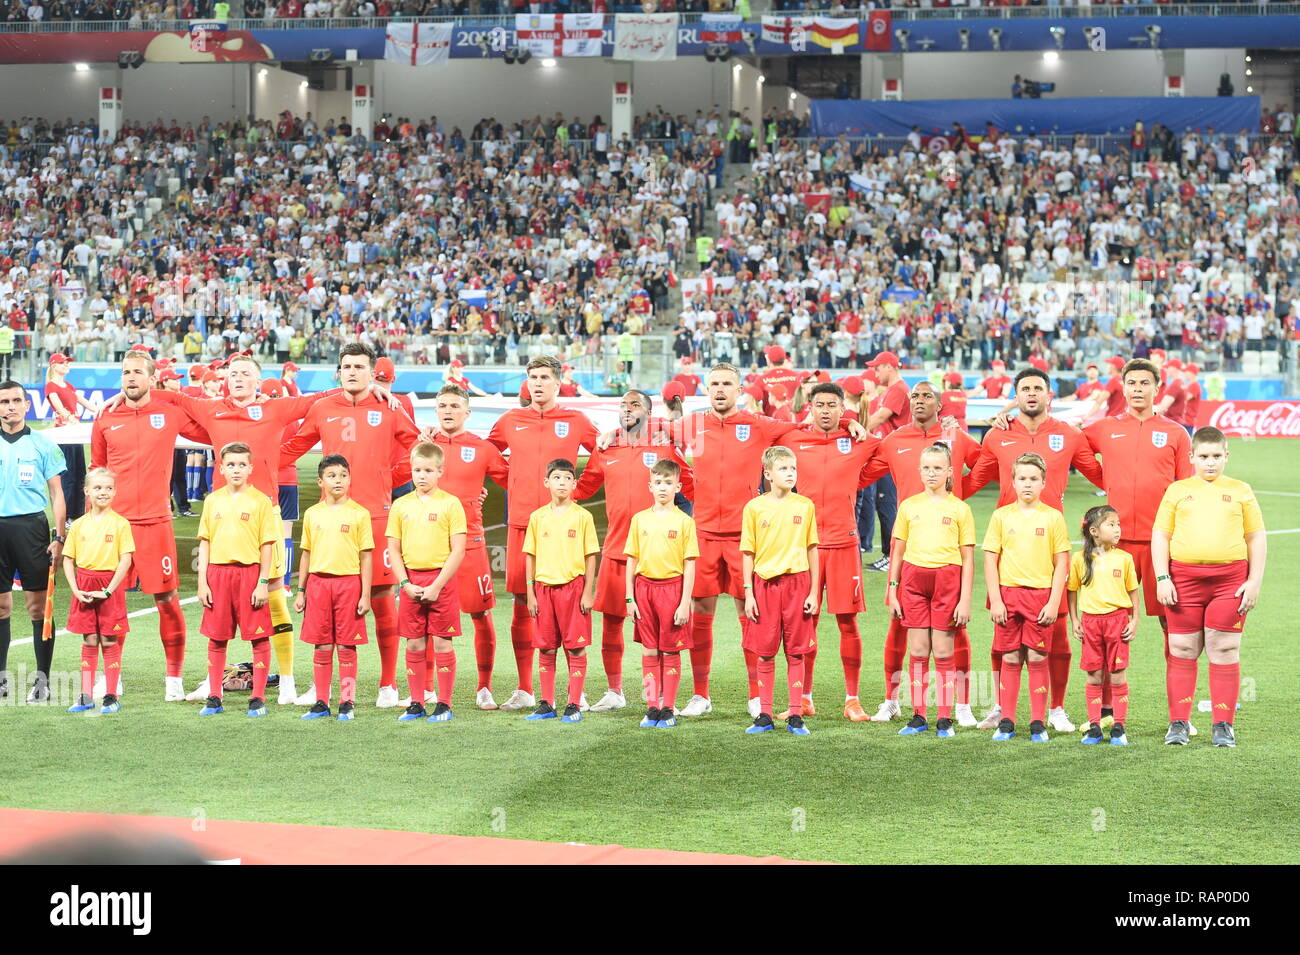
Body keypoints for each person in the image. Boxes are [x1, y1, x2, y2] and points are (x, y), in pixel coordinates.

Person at [656, 361, 861, 718]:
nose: (720, 389)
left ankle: (755, 695)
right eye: (715, 384)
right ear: (708, 389)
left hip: (744, 536)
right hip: (702, 531)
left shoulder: (759, 425)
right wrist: (616, 433)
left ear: (740, 390)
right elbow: (655, 431)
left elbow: (806, 424)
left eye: (727, 384)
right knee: (700, 614)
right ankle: (701, 695)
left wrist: (846, 422)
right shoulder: (694, 424)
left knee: (749, 614)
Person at [279, 343, 422, 708]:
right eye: (347, 366)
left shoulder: (389, 407)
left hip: (376, 516)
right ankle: (321, 688)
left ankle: (388, 686)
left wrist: (391, 477)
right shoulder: (322, 408)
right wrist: (249, 461)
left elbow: (420, 448)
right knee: (322, 600)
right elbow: (292, 448)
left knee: (380, 600)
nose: (353, 371)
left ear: (372, 372)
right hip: (329, 520)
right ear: (338, 372)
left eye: (360, 366)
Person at [966, 366, 1105, 732]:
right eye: (1024, 388)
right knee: (1004, 638)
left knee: (1056, 636)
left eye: (1037, 388)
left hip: (1050, 550)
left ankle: (1056, 708)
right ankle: (1002, 707)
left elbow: (1102, 476)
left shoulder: (1069, 435)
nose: (1031, 394)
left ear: (1049, 396)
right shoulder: (997, 435)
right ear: (1016, 395)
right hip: (1008, 551)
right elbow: (972, 482)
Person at [858, 379, 983, 726]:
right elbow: (863, 472)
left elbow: (987, 464)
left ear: (940, 404)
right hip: (908, 552)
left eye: (927, 395)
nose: (919, 400)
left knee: (955, 634)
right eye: (914, 395)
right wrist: (855, 430)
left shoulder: (955, 438)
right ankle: (892, 700)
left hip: (944, 555)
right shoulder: (894, 440)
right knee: (898, 629)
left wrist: (959, 493)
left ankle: (960, 705)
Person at [1083, 358, 1193, 731]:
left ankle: (1180, 716)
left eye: (1145, 383)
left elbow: (1185, 489)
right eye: (1131, 383)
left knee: (1173, 628)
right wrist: (1105, 479)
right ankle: (1108, 714)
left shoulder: (1176, 433)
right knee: (1110, 628)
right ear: (1124, 387)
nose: (1137, 389)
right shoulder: (1105, 428)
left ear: (1157, 387)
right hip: (1113, 547)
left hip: (1161, 545)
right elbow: (1074, 446)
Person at [487, 356, 599, 712]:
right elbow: (487, 454)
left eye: (544, 377)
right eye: (533, 377)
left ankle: (573, 692)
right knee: (524, 603)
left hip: (565, 527)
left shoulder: (576, 420)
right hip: (523, 522)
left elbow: (604, 453)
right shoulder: (510, 420)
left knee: (570, 603)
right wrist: (515, 484)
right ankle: (524, 689)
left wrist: (578, 492)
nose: (538, 383)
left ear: (557, 382)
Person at [90, 352, 202, 701]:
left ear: (152, 378)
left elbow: (211, 427)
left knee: (167, 601)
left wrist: (168, 395)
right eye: (125, 372)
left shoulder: (168, 411)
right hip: (115, 526)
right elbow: (97, 471)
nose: (130, 377)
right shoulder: (106, 416)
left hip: (156, 524)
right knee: (111, 604)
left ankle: (174, 680)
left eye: (138, 372)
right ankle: (111, 679)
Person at [574, 389, 693, 713]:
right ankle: (615, 691)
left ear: (649, 412)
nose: (627, 409)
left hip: (659, 559)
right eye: (623, 405)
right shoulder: (607, 447)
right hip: (616, 551)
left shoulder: (663, 445)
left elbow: (692, 484)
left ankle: (661, 700)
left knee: (663, 633)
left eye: (635, 404)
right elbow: (584, 488)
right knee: (612, 623)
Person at [1152, 427, 1266, 748]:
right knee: (1182, 650)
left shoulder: (1241, 490)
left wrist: (1254, 580)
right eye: (1203, 456)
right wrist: (1163, 577)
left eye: (1217, 456)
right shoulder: (1177, 490)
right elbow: (1161, 534)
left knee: (1225, 649)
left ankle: (1223, 725)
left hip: (1229, 581)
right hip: (1183, 580)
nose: (1210, 463)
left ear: (1226, 456)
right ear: (1191, 458)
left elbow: (1256, 536)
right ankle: (1179, 724)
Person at [786, 381, 881, 721]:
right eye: (819, 404)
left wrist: (850, 426)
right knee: (803, 623)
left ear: (843, 409)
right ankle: (803, 699)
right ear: (809, 407)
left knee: (847, 623)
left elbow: (881, 451)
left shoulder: (856, 440)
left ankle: (852, 700)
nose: (825, 410)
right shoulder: (792, 438)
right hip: (804, 545)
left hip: (844, 543)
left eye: (832, 405)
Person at [428, 384, 509, 710]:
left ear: (467, 412)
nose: (448, 411)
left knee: (480, 614)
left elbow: (512, 480)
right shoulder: (425, 445)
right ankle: (428, 689)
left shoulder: (482, 448)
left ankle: (484, 687)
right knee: (427, 617)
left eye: (454, 406)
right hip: (428, 545)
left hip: (471, 544)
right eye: (443, 405)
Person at [887, 444, 975, 739]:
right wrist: (893, 589)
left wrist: (964, 600)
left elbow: (968, 558)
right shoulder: (909, 506)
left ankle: (945, 718)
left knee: (943, 650)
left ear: (950, 472)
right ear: (919, 470)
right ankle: (919, 716)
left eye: (938, 468)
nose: (932, 473)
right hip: (913, 581)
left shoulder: (960, 509)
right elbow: (897, 552)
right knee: (919, 650)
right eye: (926, 467)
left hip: (947, 581)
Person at [982, 453, 1070, 743]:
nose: (1027, 484)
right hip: (1008, 596)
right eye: (1022, 478)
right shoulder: (1001, 516)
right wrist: (995, 599)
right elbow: (990, 560)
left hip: (1040, 597)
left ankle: (1037, 722)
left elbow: (1062, 564)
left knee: (1037, 656)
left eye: (1034, 479)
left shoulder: (1053, 517)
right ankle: (1006, 721)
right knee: (1009, 656)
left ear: (1044, 483)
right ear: (1013, 482)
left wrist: (1054, 602)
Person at [195, 441, 279, 719]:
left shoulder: (260, 501)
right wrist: (202, 581)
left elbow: (267, 544)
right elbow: (204, 543)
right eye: (230, 464)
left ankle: (257, 697)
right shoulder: (212, 500)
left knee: (259, 637)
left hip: (249, 574)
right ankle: (214, 696)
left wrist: (263, 582)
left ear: (250, 468)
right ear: (221, 468)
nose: (236, 469)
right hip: (217, 575)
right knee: (217, 638)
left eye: (242, 464)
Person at [740, 446, 820, 737]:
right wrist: (748, 593)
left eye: (793, 469)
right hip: (764, 586)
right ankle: (764, 714)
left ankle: (796, 715)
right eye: (784, 468)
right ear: (768, 473)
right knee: (765, 653)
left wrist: (813, 591)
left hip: (798, 584)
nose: (790, 473)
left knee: (796, 652)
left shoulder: (805, 505)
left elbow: (813, 549)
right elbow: (747, 552)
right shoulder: (754, 508)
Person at [387, 442, 467, 723]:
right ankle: (417, 703)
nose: (421, 476)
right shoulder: (401, 505)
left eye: (428, 470)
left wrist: (437, 586)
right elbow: (393, 549)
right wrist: (405, 583)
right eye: (417, 470)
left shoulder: (450, 503)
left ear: (440, 471)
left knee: (443, 644)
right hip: (412, 582)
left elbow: (458, 549)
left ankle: (444, 704)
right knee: (414, 645)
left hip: (441, 582)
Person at [294, 454, 374, 722]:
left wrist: (365, 594)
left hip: (349, 584)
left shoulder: (359, 514)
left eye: (342, 475)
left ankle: (347, 701)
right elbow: (305, 553)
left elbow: (366, 557)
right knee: (322, 645)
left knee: (347, 646)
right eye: (331, 476)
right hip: (318, 585)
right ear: (320, 481)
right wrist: (301, 590)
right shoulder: (312, 513)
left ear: (350, 478)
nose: (337, 480)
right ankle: (321, 701)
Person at [0, 379, 67, 703]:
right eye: (3, 402)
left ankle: (42, 681)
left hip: (31, 529)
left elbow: (57, 493)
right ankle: (1, 680)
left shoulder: (43, 444)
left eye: (16, 400)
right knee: (0, 606)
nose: (10, 406)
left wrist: (59, 537)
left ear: (27, 405)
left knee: (38, 607)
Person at [522, 458, 600, 724]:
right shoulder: (537, 517)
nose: (562, 483)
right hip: (544, 590)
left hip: (573, 588)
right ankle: (547, 703)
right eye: (557, 478)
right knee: (545, 648)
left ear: (574, 484)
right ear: (547, 482)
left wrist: (588, 592)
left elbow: (591, 556)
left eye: (567, 478)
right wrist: (530, 592)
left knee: (576, 648)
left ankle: (574, 703)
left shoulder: (583, 517)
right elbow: (529, 556)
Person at [625, 458, 698, 729]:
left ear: (678, 486)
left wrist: (684, 603)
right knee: (649, 651)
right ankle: (651, 708)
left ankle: (668, 707)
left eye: (668, 483)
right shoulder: (639, 520)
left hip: (673, 589)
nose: (663, 488)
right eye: (658, 483)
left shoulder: (684, 522)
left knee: (670, 652)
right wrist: (629, 598)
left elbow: (690, 564)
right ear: (650, 486)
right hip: (644, 590)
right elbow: (631, 561)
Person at [61, 467, 134, 716]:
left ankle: (111, 696)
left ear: (115, 491)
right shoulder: (79, 525)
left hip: (108, 586)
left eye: (108, 488)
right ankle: (85, 695)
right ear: (87, 491)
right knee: (89, 639)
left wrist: (110, 590)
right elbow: (67, 559)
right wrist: (76, 590)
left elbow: (126, 559)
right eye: (98, 488)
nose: (103, 492)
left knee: (109, 639)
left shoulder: (121, 524)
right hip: (84, 585)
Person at [1067, 505, 1138, 747]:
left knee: (1117, 676)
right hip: (1091, 623)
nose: (1117, 529)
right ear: (1095, 531)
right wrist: (1075, 620)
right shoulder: (1079, 559)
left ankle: (1119, 726)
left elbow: (1133, 592)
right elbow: (1072, 591)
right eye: (1111, 524)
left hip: (1117, 621)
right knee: (1094, 675)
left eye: (1118, 524)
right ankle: (1095, 726)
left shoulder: (1125, 558)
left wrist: (1134, 619)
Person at [858, 351, 910, 573]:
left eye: (878, 368)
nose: (875, 372)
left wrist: (858, 429)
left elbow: (880, 417)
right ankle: (889, 555)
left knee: (888, 504)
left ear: (889, 366)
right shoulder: (893, 389)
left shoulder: (898, 389)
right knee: (884, 504)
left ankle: (892, 556)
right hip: (890, 453)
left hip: (894, 454)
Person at [44, 353, 94, 527]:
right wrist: (70, 419)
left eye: (68, 363)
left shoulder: (69, 385)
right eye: (62, 362)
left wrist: (103, 410)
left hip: (75, 432)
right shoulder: (51, 386)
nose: (66, 365)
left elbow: (87, 403)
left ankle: (77, 516)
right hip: (64, 434)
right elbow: (59, 407)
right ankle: (64, 517)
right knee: (68, 476)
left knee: (80, 475)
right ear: (53, 366)